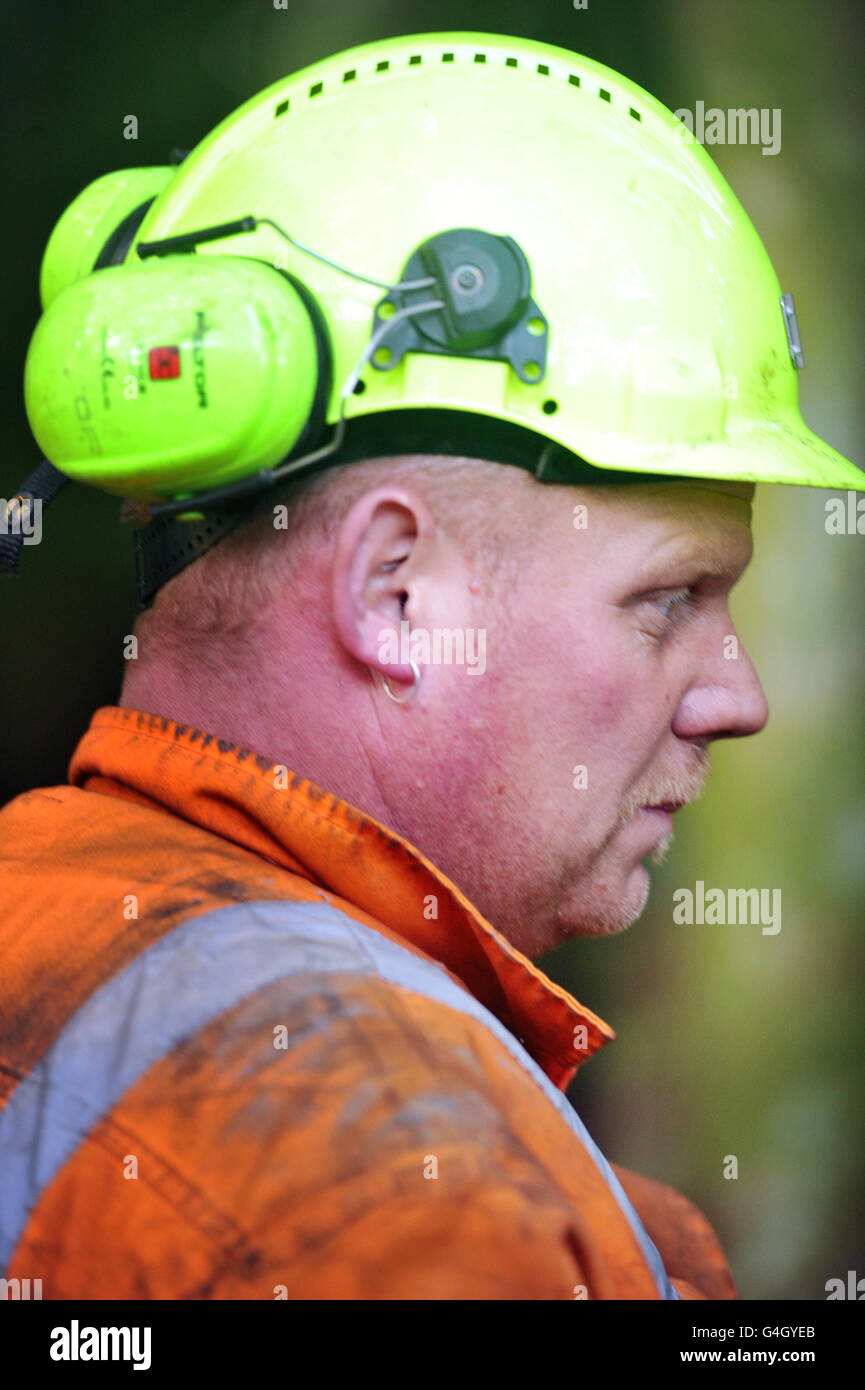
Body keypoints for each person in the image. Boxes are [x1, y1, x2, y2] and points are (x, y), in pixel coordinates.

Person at [1, 31, 861, 1301]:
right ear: (395, 596)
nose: (737, 699)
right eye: (666, 596)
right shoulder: (415, 1184)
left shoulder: (45, 912)